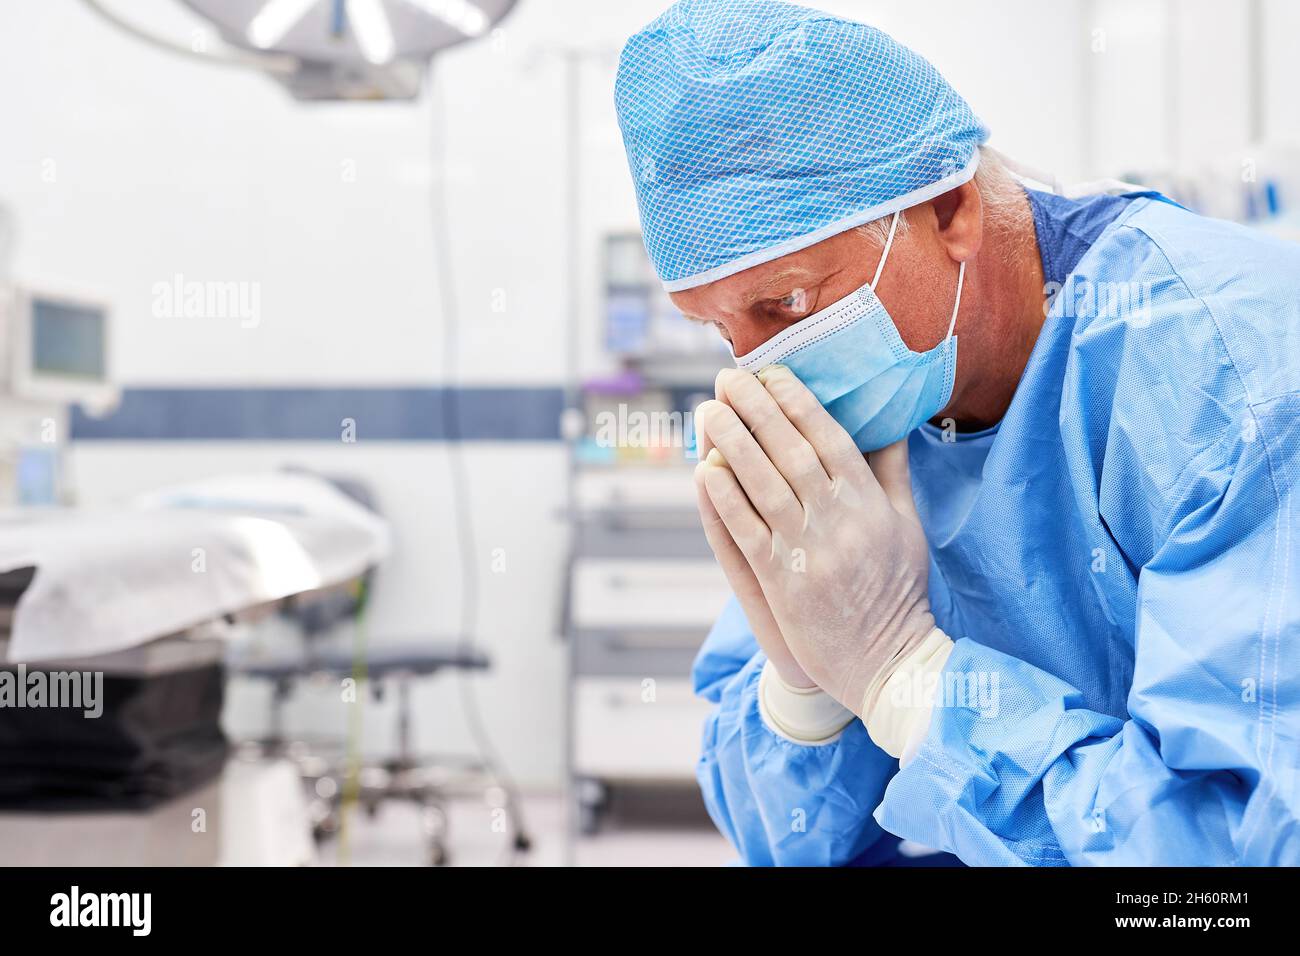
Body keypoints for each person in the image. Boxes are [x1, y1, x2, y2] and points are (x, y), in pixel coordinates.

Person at [614, 0, 1300, 866]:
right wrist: (806, 689)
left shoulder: (1237, 371)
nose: (761, 370)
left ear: (951, 213)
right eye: (720, 332)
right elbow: (780, 839)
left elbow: (1233, 861)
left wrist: (906, 677)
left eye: (787, 304)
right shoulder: (861, 421)